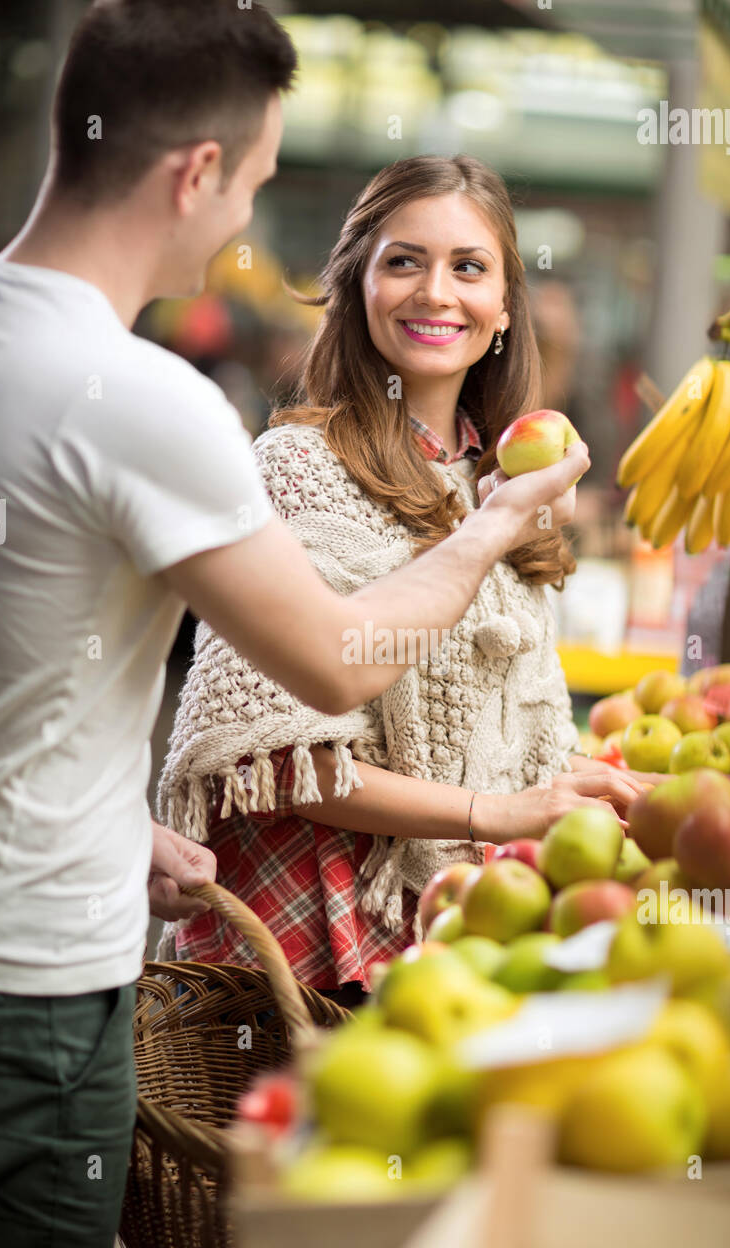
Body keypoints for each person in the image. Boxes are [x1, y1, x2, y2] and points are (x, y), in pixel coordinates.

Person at [0, 2, 591, 1248]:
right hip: (29, 988)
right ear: (197, 173)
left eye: (471, 268)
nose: (248, 219)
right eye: (251, 180)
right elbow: (337, 664)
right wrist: (496, 528)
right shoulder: (152, 405)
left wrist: (91, 817)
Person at [158, 156, 646, 1001]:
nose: (435, 292)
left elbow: (526, 737)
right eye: (402, 261)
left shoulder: (504, 483)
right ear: (358, 288)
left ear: (502, 309)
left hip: (460, 929)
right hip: (312, 931)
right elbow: (274, 760)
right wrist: (488, 814)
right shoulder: (296, 465)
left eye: (468, 267)